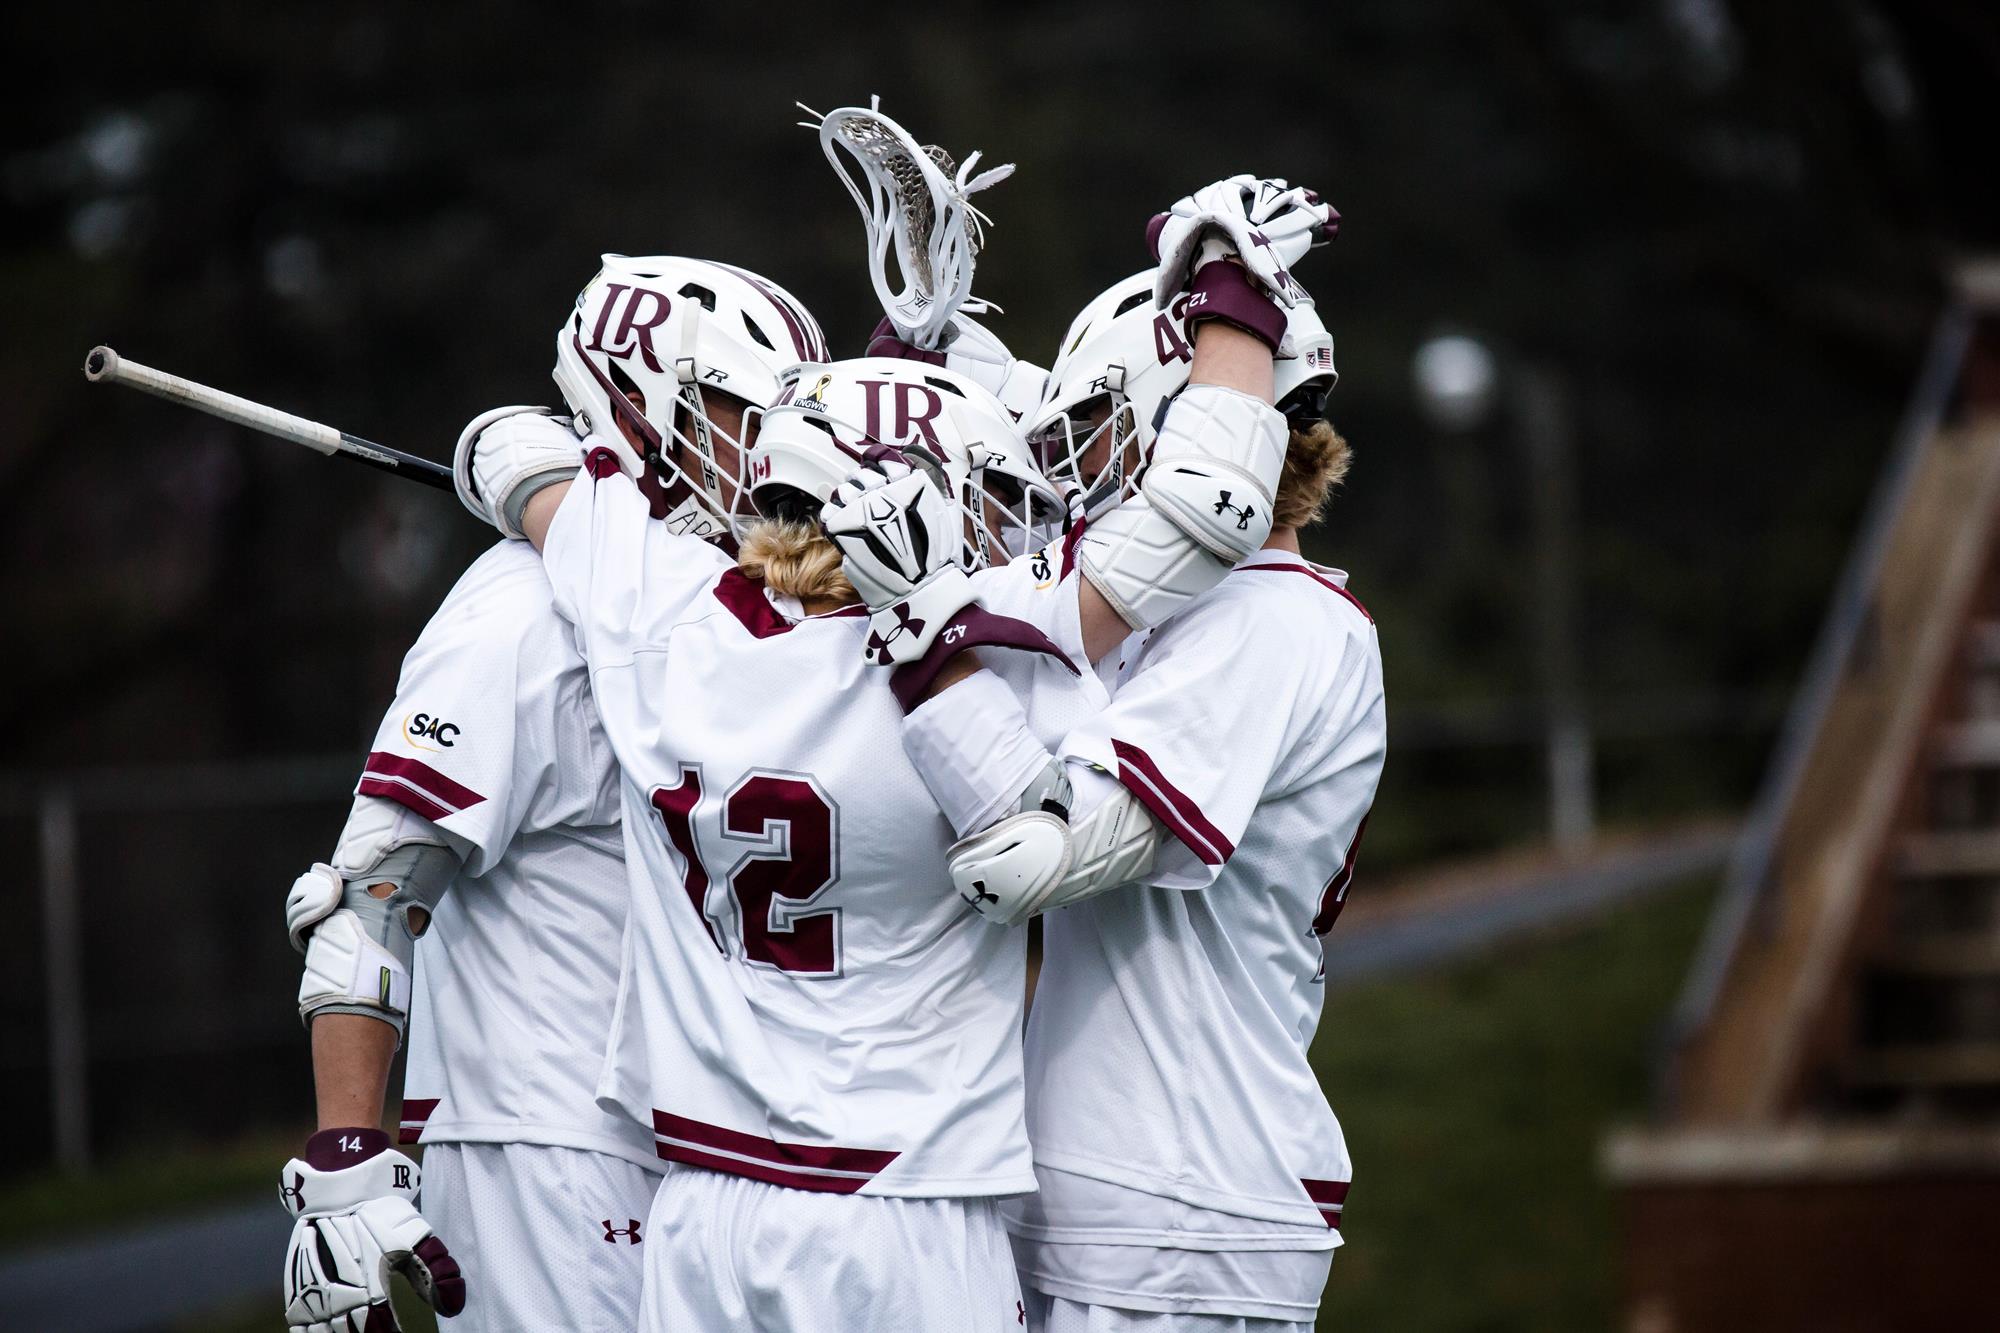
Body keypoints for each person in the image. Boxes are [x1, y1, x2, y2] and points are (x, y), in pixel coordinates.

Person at [824, 176, 1383, 1332]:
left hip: (1177, 1199)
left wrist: (924, 639)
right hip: (1131, 1194)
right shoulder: (1191, 620)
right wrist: (913, 358)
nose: (1069, 471)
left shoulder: (1269, 622)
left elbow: (1032, 858)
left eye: (1094, 431)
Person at [457, 353, 1081, 1329]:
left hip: (703, 1213)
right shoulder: (991, 682)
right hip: (904, 1208)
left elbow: (510, 450)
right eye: (983, 497)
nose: (999, 532)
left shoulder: (662, 615)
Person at [277, 253, 822, 1333]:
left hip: (688, 1142)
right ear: (640, 406)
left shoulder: (703, 604)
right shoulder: (517, 612)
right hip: (542, 1141)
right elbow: (368, 895)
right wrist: (347, 1157)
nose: (771, 449)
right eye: (740, 413)